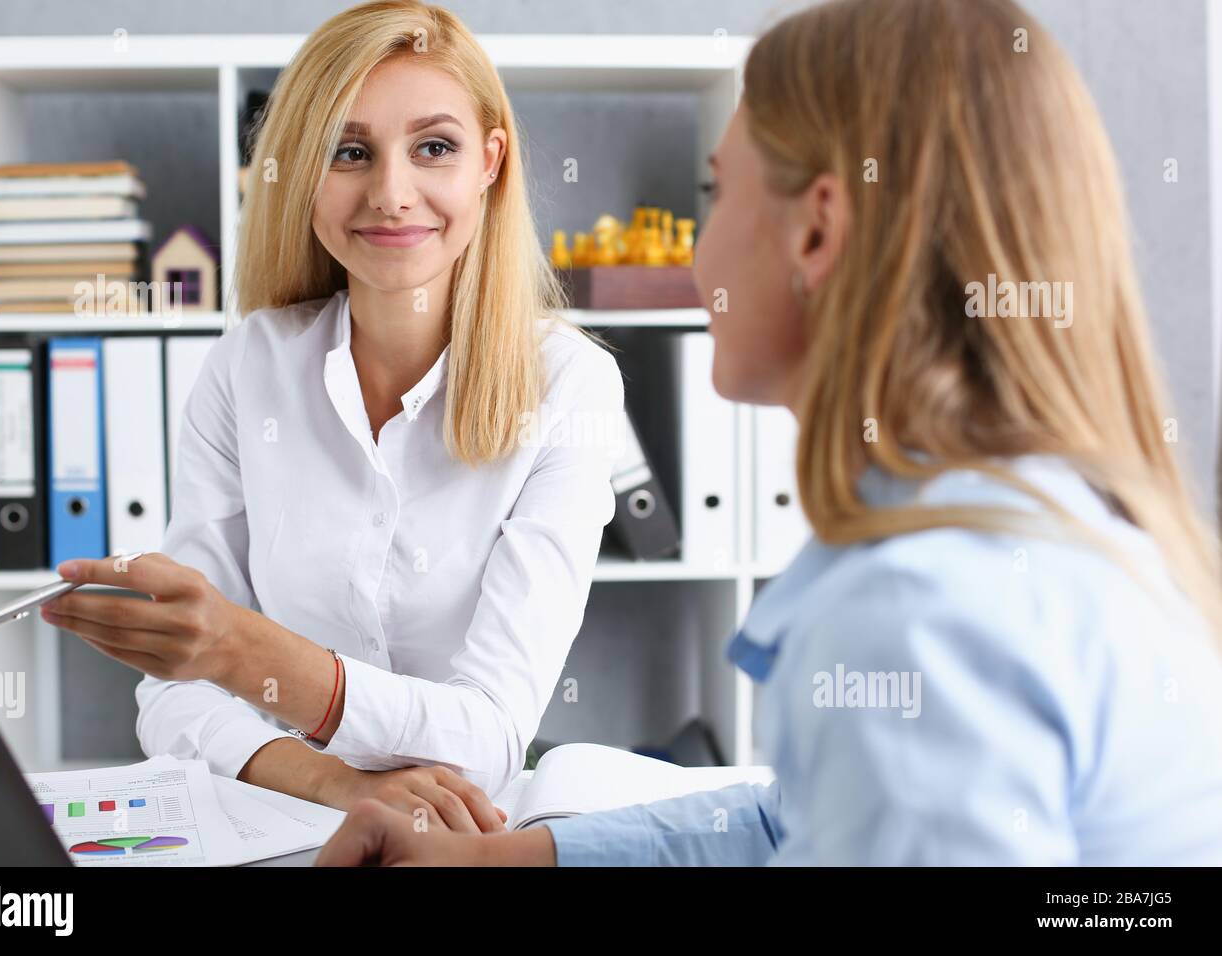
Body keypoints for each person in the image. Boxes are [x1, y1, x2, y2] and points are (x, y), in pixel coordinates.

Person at [314, 0, 1222, 865]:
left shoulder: (923, 617)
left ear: (818, 230)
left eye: (718, 193)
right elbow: (784, 824)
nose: (699, 254)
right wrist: (494, 860)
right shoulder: (1026, 526)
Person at [38, 0, 623, 834]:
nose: (391, 193)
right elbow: (174, 695)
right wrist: (333, 785)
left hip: (462, 830)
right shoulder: (248, 365)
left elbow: (491, 733)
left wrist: (244, 652)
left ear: (489, 163)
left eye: (434, 148)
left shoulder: (571, 386)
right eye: (349, 152)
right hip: (275, 816)